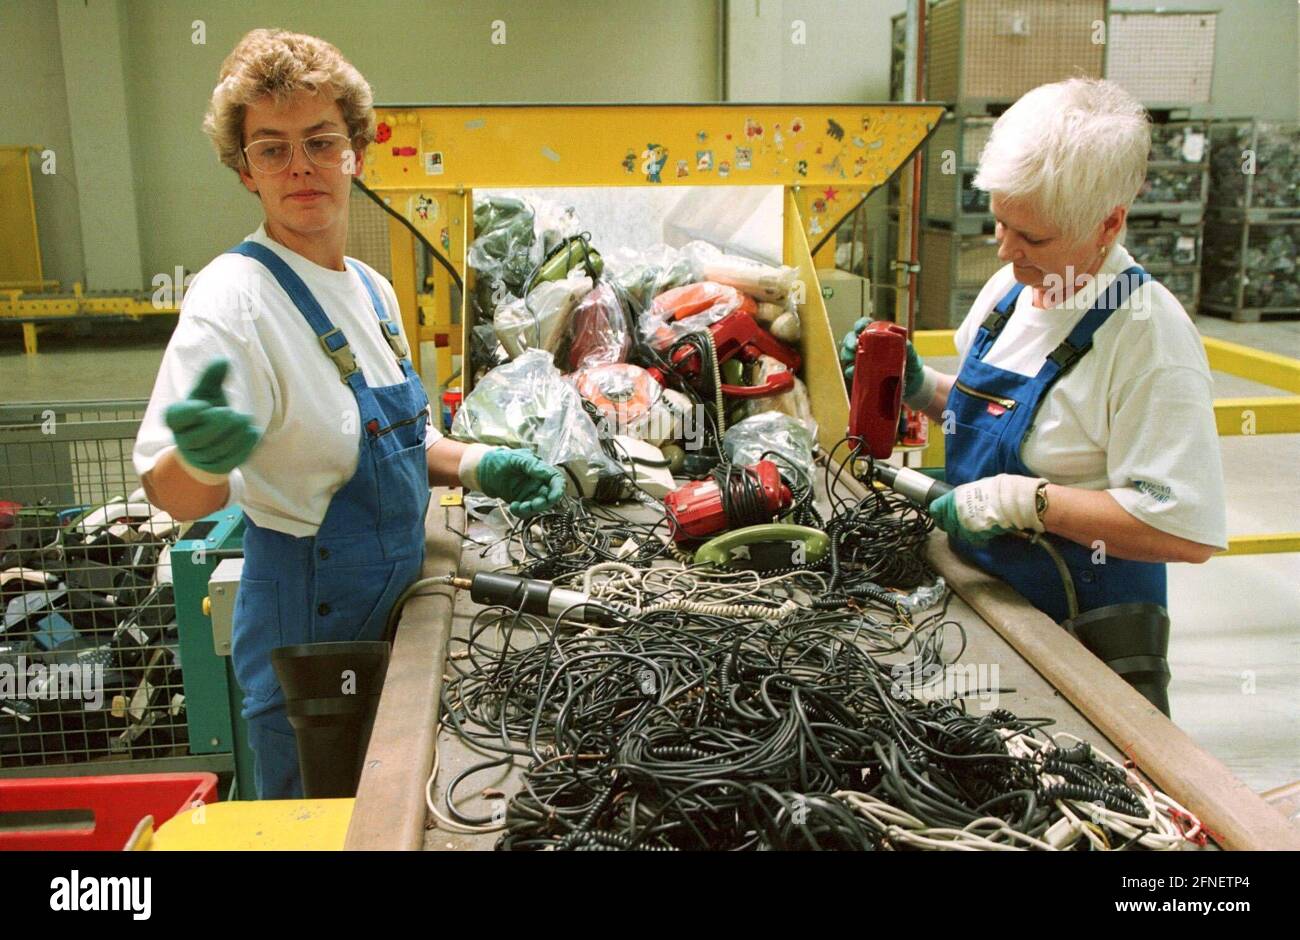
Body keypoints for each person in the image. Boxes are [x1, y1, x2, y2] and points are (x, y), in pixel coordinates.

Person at [133, 29, 564, 799]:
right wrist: (203, 456)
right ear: (244, 171)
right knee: (322, 817)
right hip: (309, 628)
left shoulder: (370, 287)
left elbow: (402, 438)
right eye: (271, 148)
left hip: (393, 602)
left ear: (355, 151)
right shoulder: (233, 301)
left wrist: (473, 462)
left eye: (320, 141)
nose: (299, 166)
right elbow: (174, 495)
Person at [841, 78, 1226, 629]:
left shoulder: (1148, 337)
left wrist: (1028, 501)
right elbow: (1017, 419)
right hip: (985, 597)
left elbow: (1184, 529)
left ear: (1108, 224)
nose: (1004, 248)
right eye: (1000, 221)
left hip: (1082, 627)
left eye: (1032, 237)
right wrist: (923, 390)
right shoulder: (1009, 288)